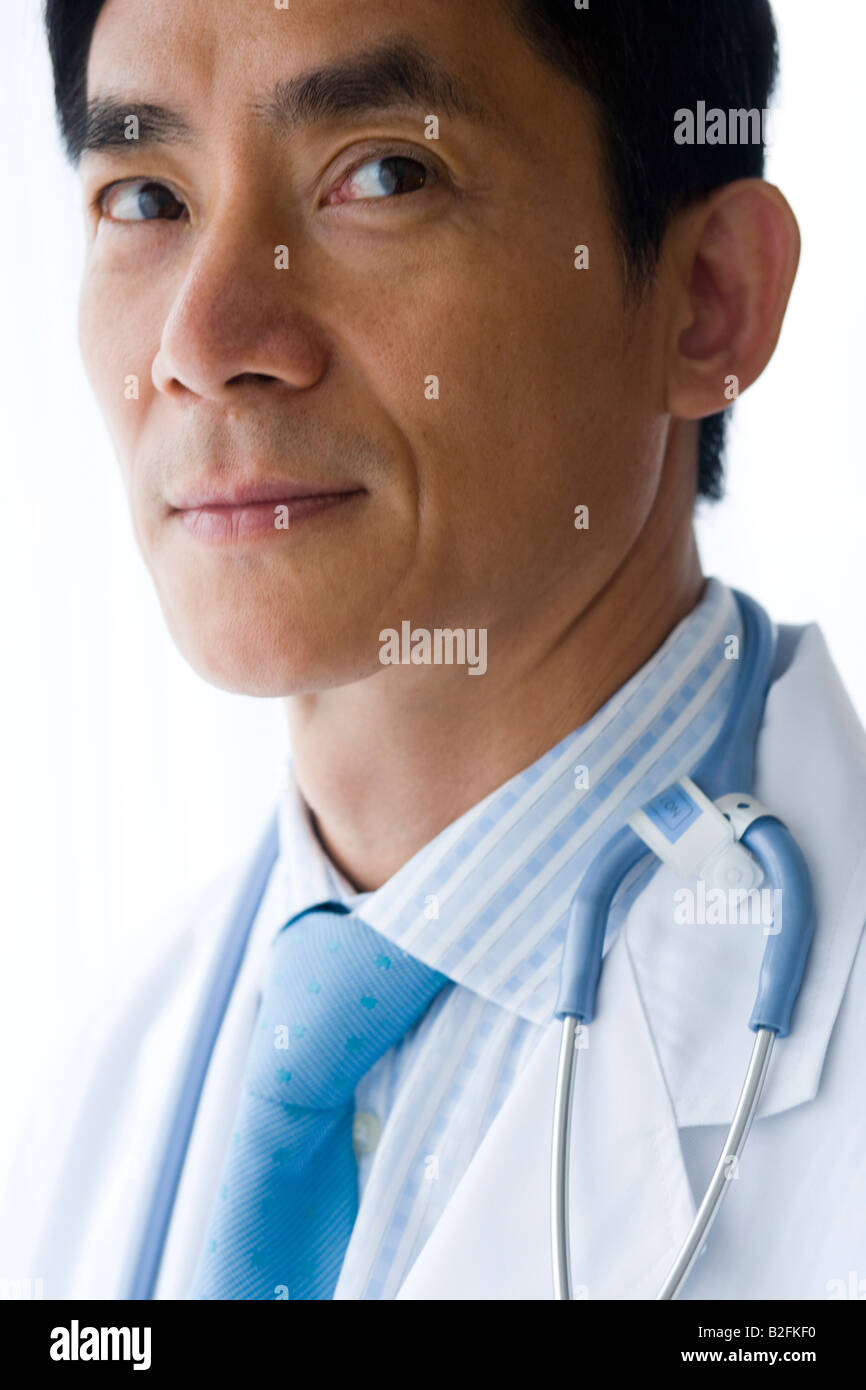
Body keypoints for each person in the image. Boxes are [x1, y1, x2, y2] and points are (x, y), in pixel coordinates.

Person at [4, 0, 865, 1301]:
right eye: (143, 198)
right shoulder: (100, 1081)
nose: (203, 340)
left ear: (707, 302)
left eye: (383, 174)